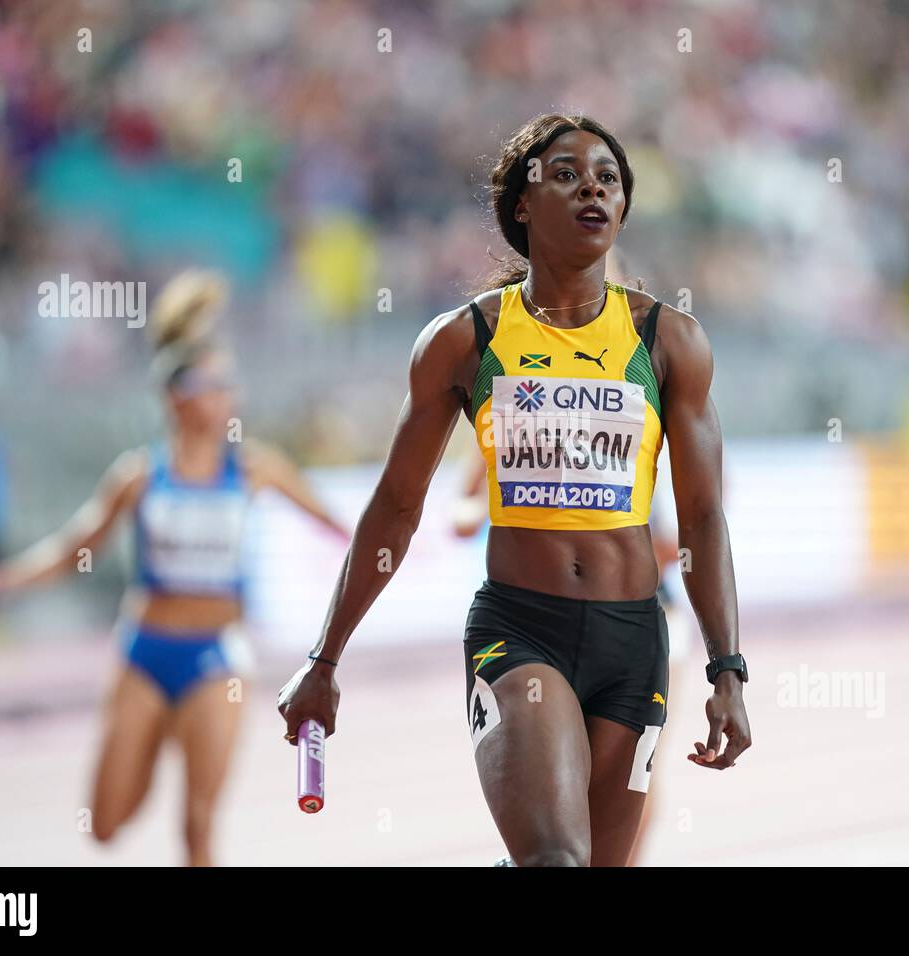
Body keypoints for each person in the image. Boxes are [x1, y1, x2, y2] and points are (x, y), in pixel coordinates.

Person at [279, 114, 749, 867]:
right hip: (520, 632)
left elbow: (702, 515)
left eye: (608, 178)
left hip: (636, 640)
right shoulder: (465, 340)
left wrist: (728, 667)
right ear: (522, 206)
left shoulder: (670, 342)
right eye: (565, 174)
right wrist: (325, 658)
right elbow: (396, 507)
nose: (592, 186)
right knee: (555, 861)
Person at [0, 269, 348, 866]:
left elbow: (343, 524)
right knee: (104, 825)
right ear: (178, 394)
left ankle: (180, 735)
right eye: (214, 382)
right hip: (145, 651)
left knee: (198, 827)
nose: (230, 395)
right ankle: (149, 752)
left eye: (231, 383)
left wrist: (391, 542)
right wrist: (5, 579)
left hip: (216, 657)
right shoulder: (140, 474)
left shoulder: (255, 468)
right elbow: (77, 547)